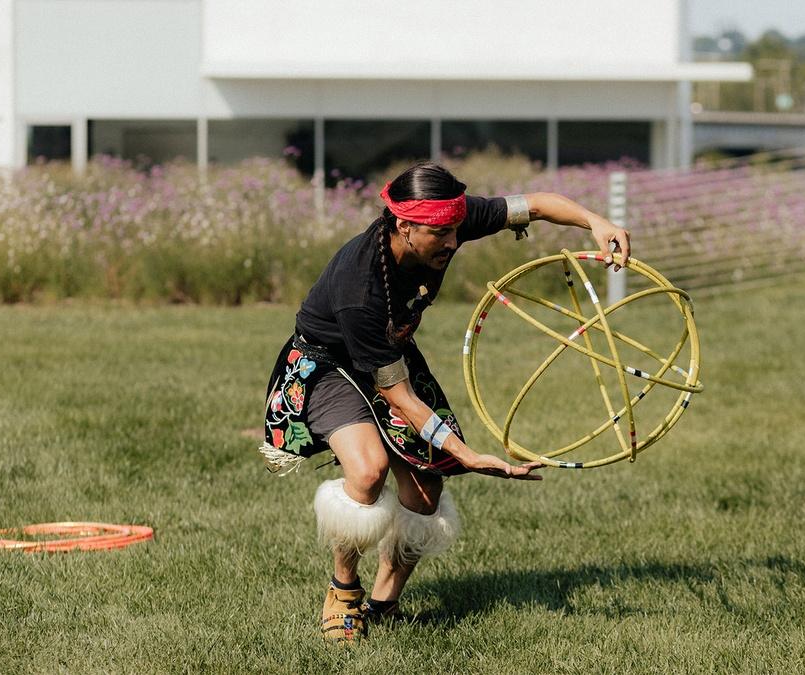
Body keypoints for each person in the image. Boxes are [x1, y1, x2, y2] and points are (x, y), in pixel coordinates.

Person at [260, 162, 630, 643]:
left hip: (391, 356)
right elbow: (401, 397)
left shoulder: (447, 220)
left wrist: (596, 222)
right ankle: (343, 589)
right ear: (404, 225)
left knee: (425, 494)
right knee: (368, 472)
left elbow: (535, 206)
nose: (453, 243)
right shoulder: (361, 286)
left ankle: (385, 605)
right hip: (329, 365)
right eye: (440, 234)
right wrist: (467, 453)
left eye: (457, 230)